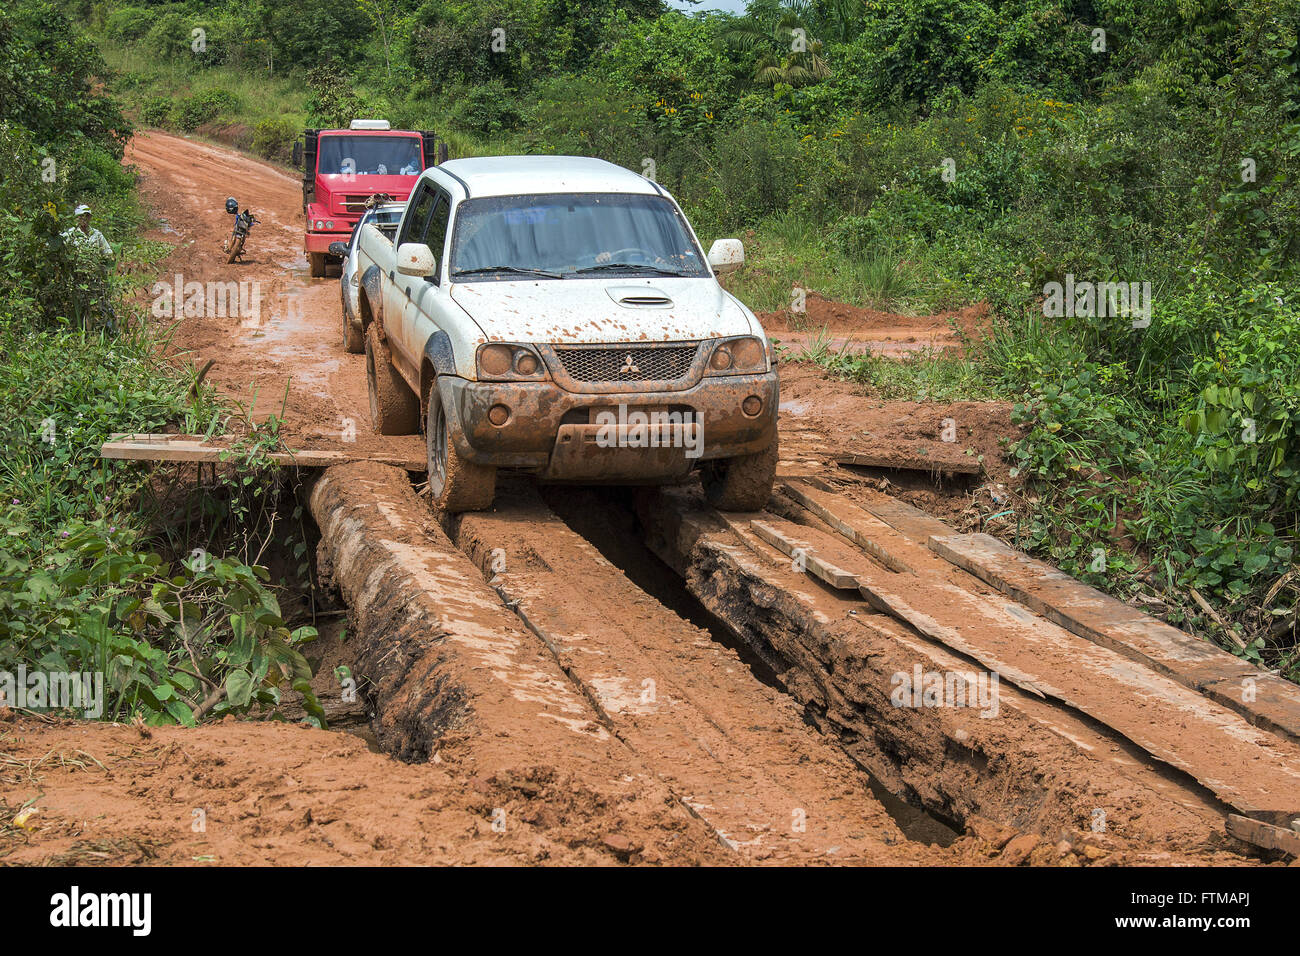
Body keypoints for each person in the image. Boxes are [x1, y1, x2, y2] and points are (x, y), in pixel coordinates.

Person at [62, 204, 116, 331]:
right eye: (81, 216)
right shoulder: (70, 234)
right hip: (78, 277)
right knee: (78, 305)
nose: (84, 219)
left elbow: (108, 253)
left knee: (102, 303)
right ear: (76, 218)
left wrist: (103, 266)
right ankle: (80, 330)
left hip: (95, 276)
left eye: (87, 216)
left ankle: (109, 330)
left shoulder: (96, 234)